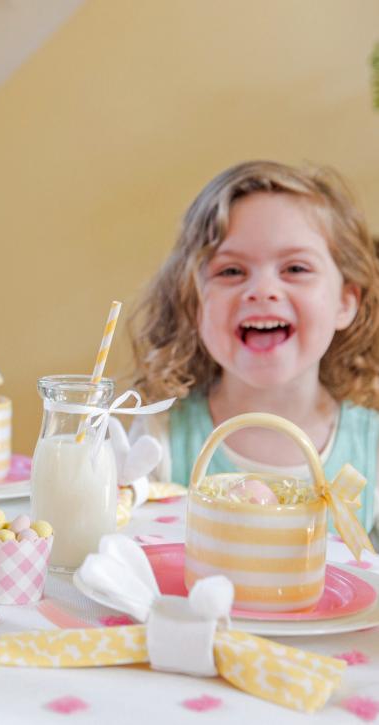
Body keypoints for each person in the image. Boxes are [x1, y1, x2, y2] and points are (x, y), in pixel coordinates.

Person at [130, 160, 379, 532]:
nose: (262, 290)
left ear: (345, 302)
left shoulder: (371, 449)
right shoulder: (159, 438)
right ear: (193, 303)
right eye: (231, 271)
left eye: (296, 269)